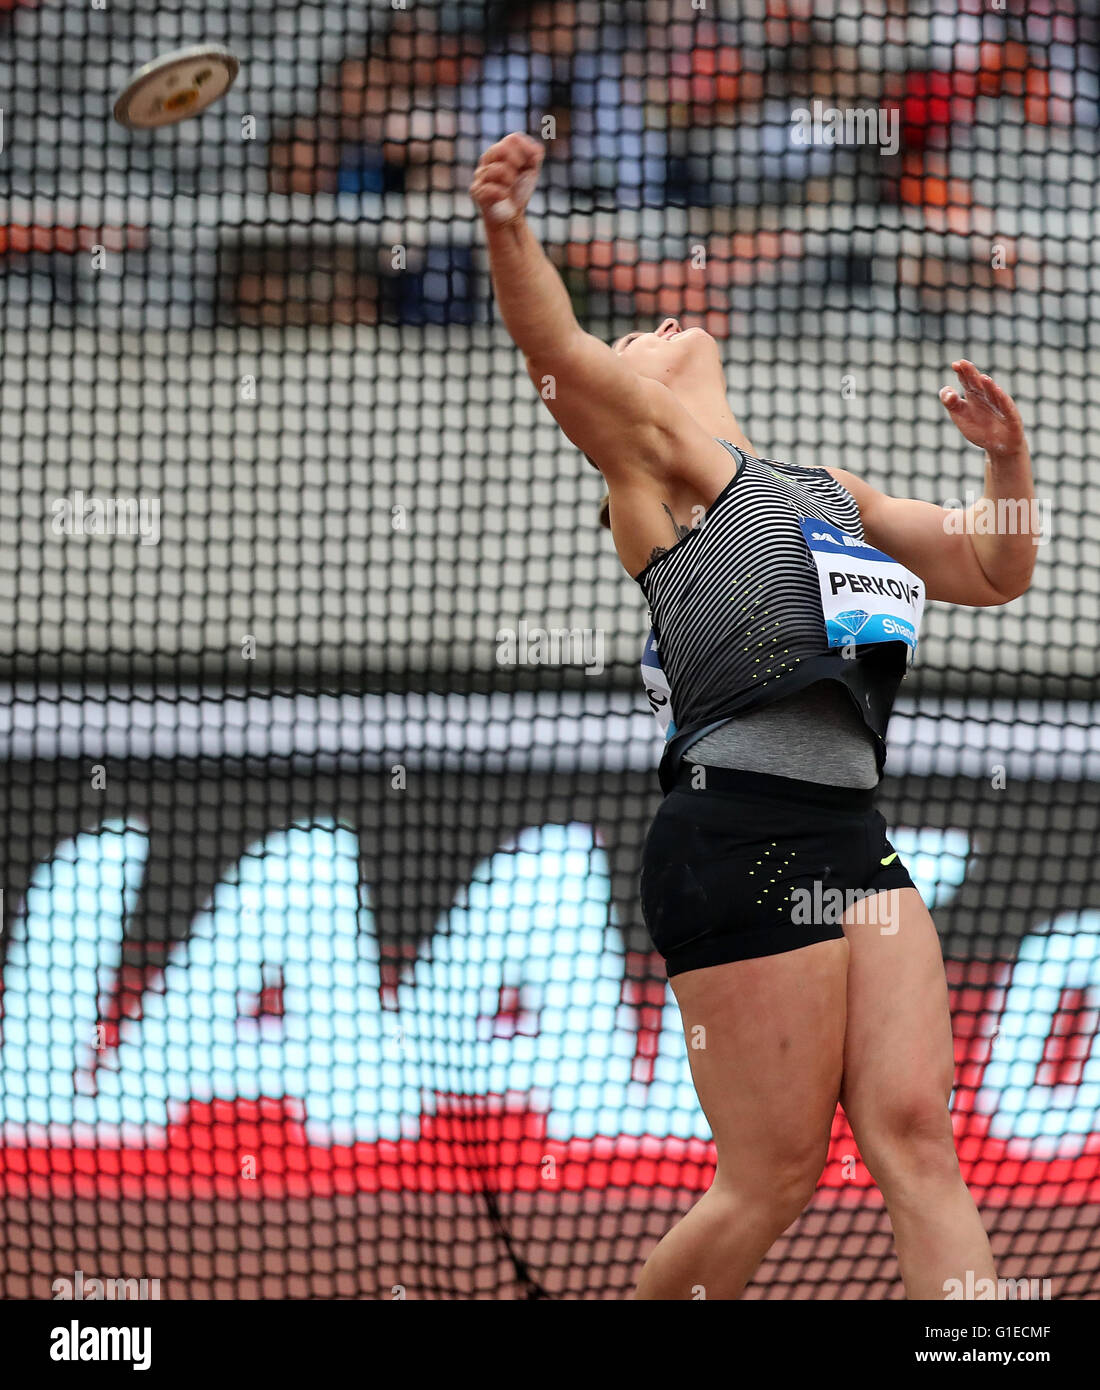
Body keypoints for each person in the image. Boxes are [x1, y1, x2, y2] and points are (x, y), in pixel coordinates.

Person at [470, 132, 1038, 1300]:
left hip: (851, 838)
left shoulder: (831, 493)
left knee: (916, 1138)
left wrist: (1006, 461)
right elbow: (554, 344)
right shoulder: (666, 469)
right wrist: (507, 225)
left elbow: (992, 572)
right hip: (735, 839)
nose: (663, 324)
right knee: (771, 1177)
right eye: (640, 333)